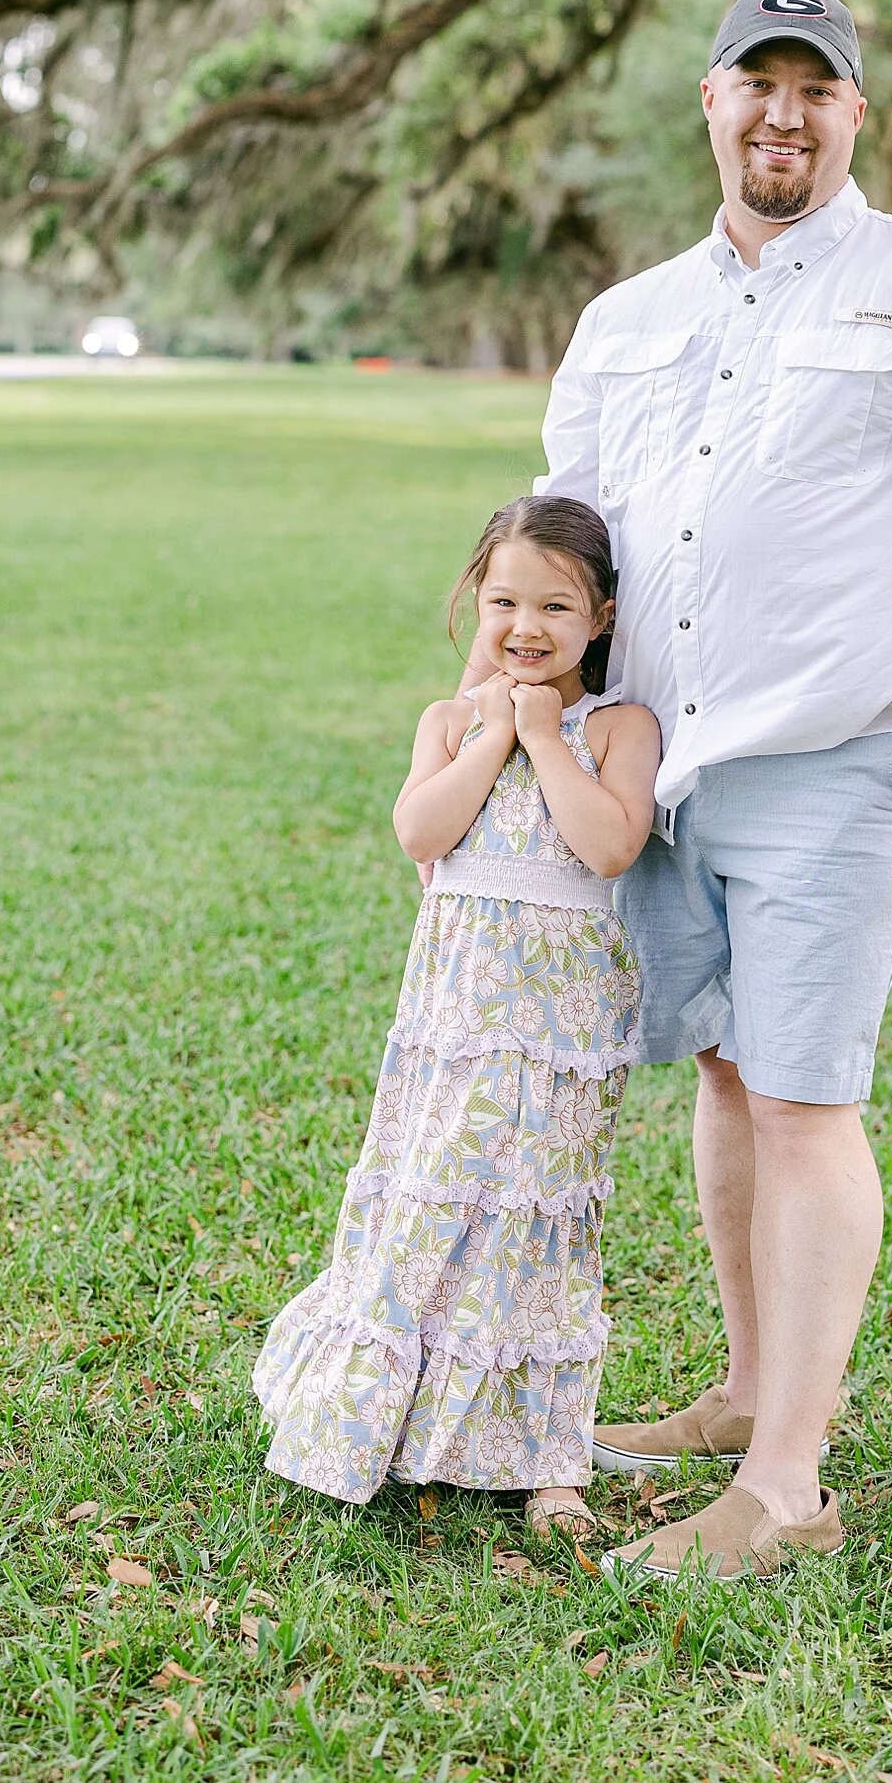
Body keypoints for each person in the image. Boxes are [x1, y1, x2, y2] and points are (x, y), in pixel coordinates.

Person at [534, 0, 892, 1583]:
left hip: (834, 761)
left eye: (814, 87)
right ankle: (749, 1386)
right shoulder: (625, 318)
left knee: (804, 1094)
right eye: (754, 81)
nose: (782, 111)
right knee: (720, 1067)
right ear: (708, 101)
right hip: (652, 764)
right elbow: (565, 555)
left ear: (857, 116)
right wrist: (531, 732)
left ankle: (785, 1490)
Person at [254, 496, 661, 1538]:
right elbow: (419, 830)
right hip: (455, 1011)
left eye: (556, 605)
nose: (527, 624)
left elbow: (610, 845)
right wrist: (492, 731)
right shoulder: (449, 719)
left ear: (602, 617)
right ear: (472, 604)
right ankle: (380, 1415)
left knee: (538, 1215)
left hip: (560, 1025)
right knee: (433, 1192)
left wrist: (545, 738)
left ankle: (546, 1453)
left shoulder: (618, 726)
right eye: (504, 600)